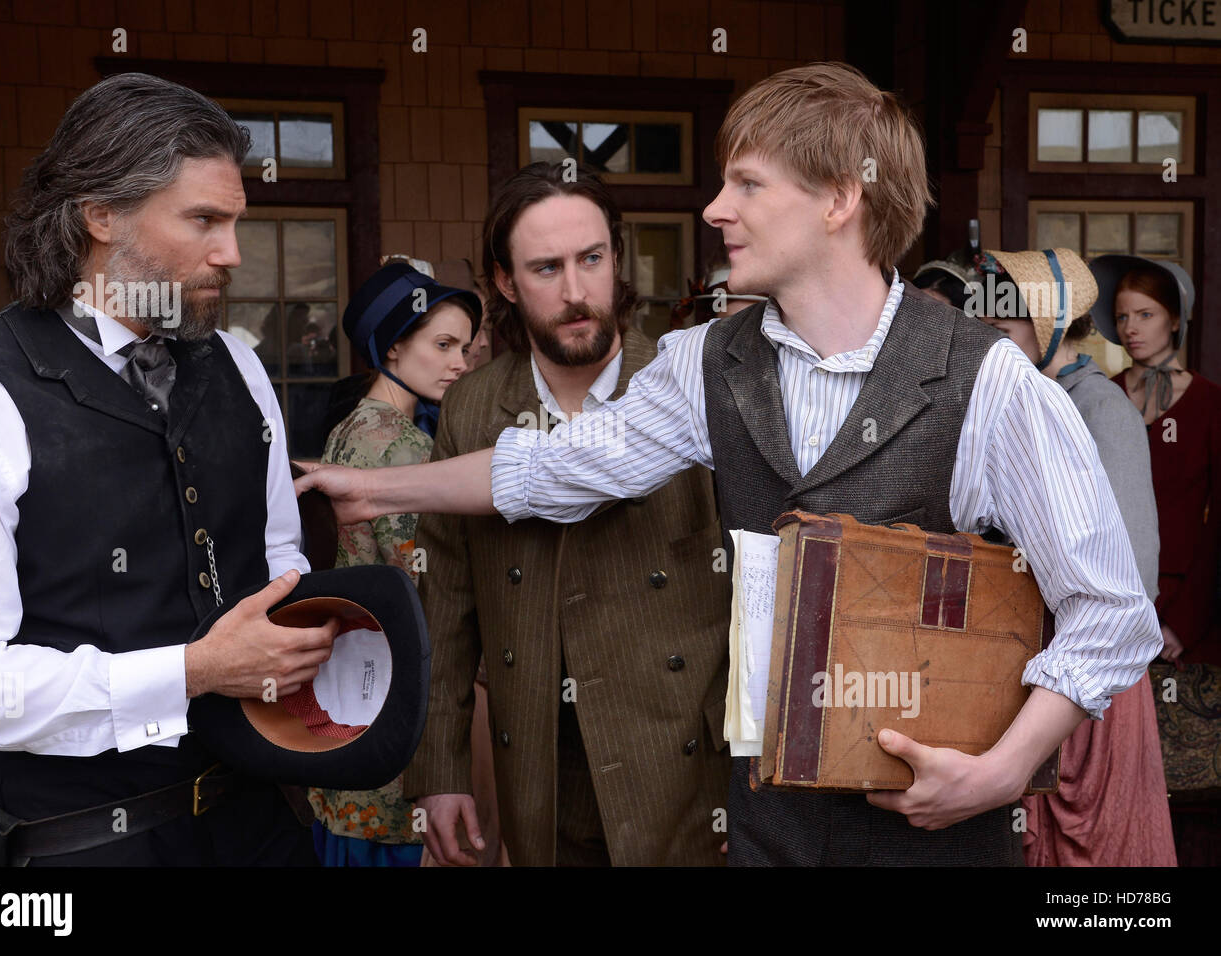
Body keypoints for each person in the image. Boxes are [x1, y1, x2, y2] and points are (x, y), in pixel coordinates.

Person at [297, 63, 1160, 866]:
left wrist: (1006, 771)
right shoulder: (705, 362)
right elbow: (550, 471)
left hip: (932, 835)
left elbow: (1111, 614)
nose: (714, 208)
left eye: (747, 184)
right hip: (763, 830)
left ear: (839, 199)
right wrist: (370, 486)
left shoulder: (992, 384)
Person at [0, 73, 339, 866]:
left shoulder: (240, 366)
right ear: (100, 214)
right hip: (75, 850)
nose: (233, 254)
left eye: (236, 221)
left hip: (260, 826)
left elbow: (277, 559)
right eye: (204, 221)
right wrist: (192, 673)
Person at [399, 162, 733, 867]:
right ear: (506, 283)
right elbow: (446, 606)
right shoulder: (473, 405)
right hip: (543, 766)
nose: (576, 292)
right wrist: (441, 773)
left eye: (592, 259)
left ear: (618, 258)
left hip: (685, 765)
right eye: (546, 269)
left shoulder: (690, 387)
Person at [972, 248, 1174, 866]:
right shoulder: (1024, 399)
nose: (992, 339)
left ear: (1050, 323)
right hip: (1036, 662)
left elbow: (1132, 569)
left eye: (1005, 327)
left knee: (1095, 852)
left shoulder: (1100, 408)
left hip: (1094, 673)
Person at [307, 262, 478, 867]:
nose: (461, 362)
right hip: (398, 688)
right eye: (443, 345)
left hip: (350, 688)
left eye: (467, 347)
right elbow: (425, 576)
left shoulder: (353, 426)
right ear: (395, 346)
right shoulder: (399, 443)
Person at [1090, 256, 1221, 669]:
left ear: (1177, 320)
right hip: (1104, 601)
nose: (1131, 327)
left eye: (1146, 314)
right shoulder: (1099, 397)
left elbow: (1219, 523)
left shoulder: (1211, 403)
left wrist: (1183, 622)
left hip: (1187, 608)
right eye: (1122, 316)